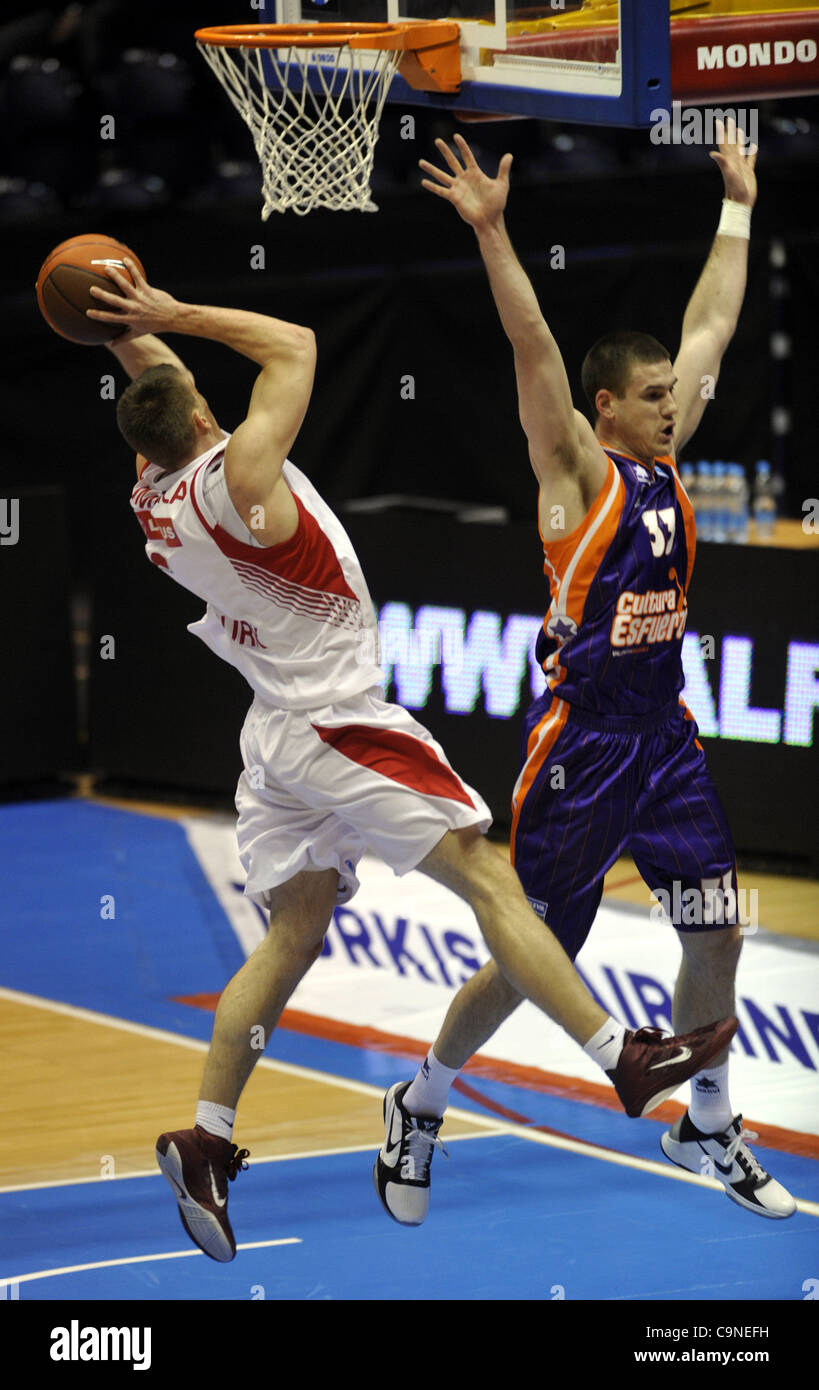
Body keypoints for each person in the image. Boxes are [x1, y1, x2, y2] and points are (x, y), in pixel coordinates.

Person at [87, 262, 735, 1259]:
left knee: (293, 932)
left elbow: (163, 391)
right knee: (486, 875)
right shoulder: (239, 476)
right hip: (339, 720)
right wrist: (174, 312)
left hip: (272, 739)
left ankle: (207, 1136)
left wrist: (124, 324)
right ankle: (625, 1057)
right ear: (208, 414)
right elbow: (294, 344)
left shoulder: (157, 504)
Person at [384, 119, 795, 1224]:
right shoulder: (572, 466)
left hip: (664, 736)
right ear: (605, 405)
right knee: (532, 962)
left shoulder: (665, 455)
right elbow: (530, 344)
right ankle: (421, 1102)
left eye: (677, 390)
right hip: (581, 749)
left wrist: (740, 203)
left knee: (717, 922)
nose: (677, 398)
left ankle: (707, 1123)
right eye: (656, 392)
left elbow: (715, 318)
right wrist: (492, 232)